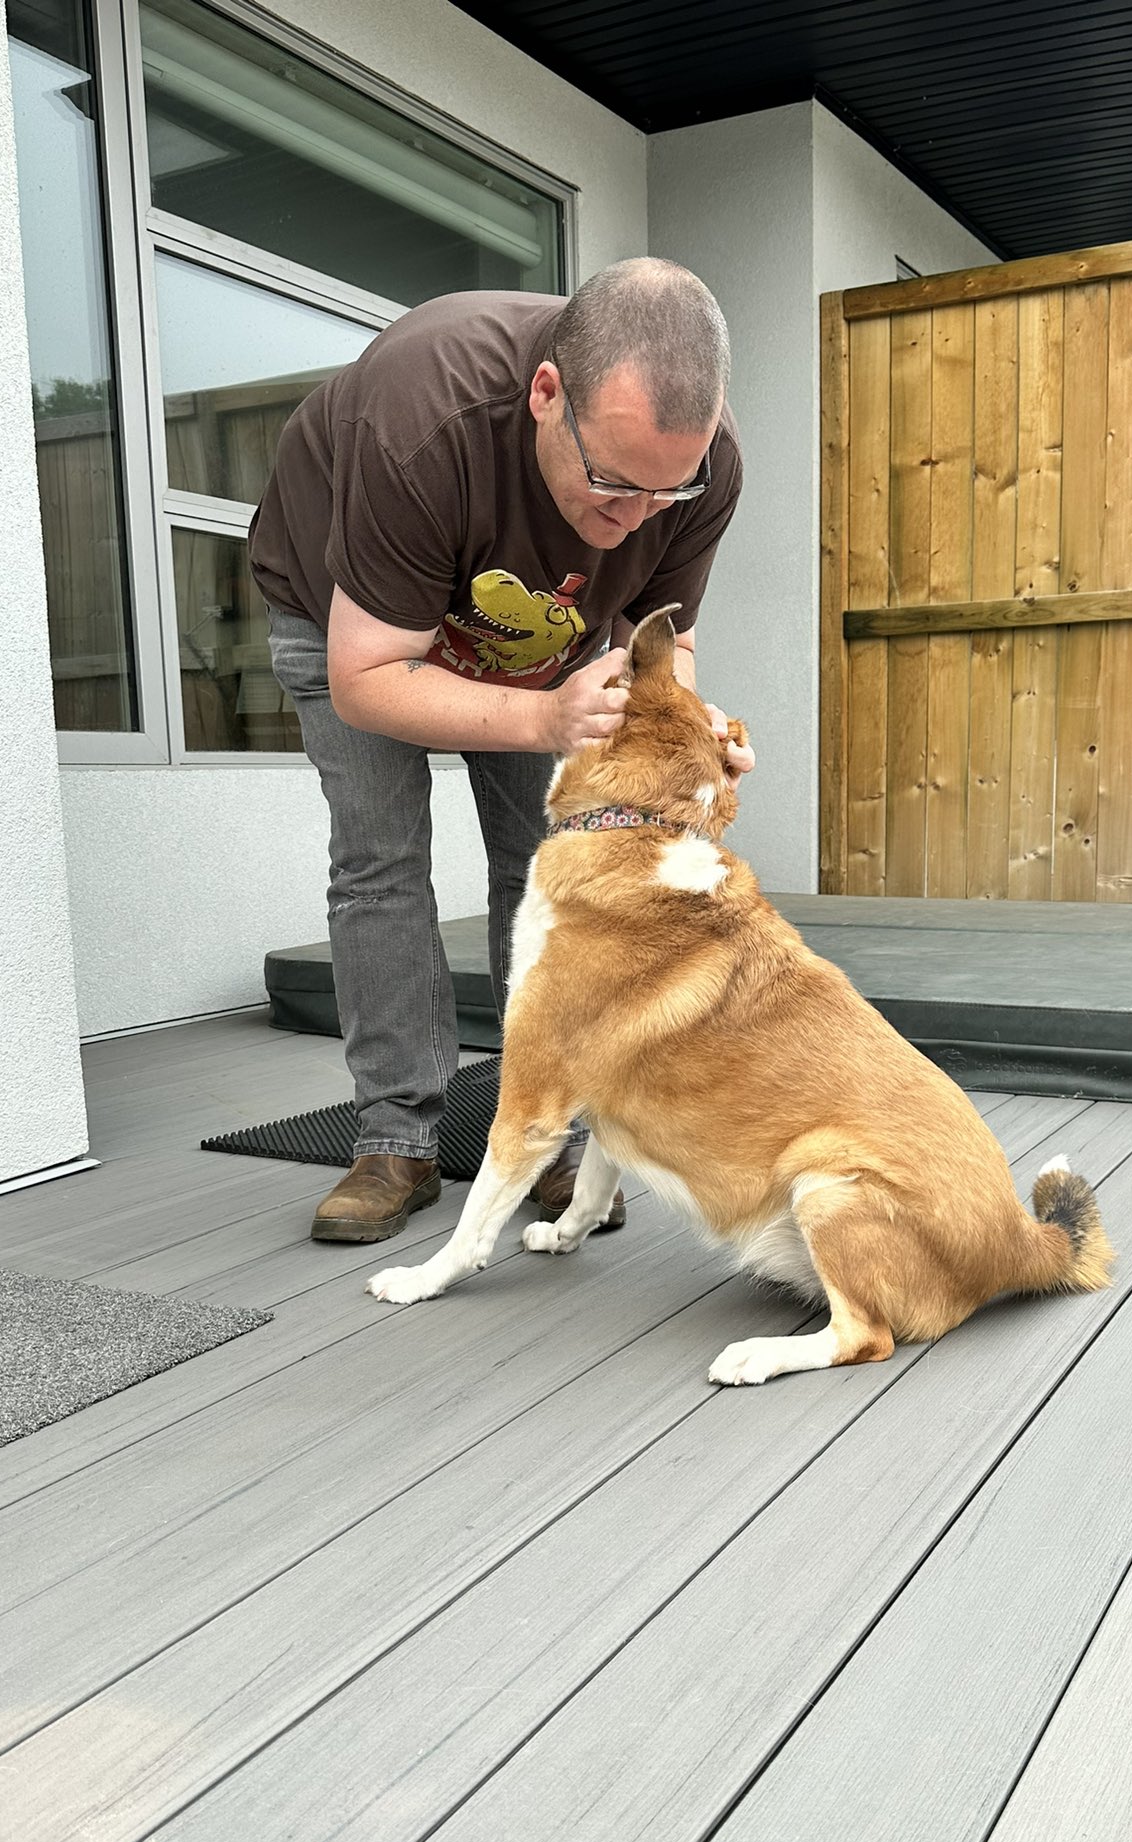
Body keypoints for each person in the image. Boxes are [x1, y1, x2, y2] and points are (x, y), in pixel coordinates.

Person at [249, 257, 750, 1245]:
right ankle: (397, 1138)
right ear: (545, 395)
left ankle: (541, 1131)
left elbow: (665, 642)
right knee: (381, 859)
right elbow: (368, 676)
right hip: (348, 619)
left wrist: (685, 740)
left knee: (548, 866)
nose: (635, 518)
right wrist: (540, 719)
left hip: (537, 633)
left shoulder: (700, 465)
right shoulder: (420, 415)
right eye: (611, 483)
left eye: (665, 492)